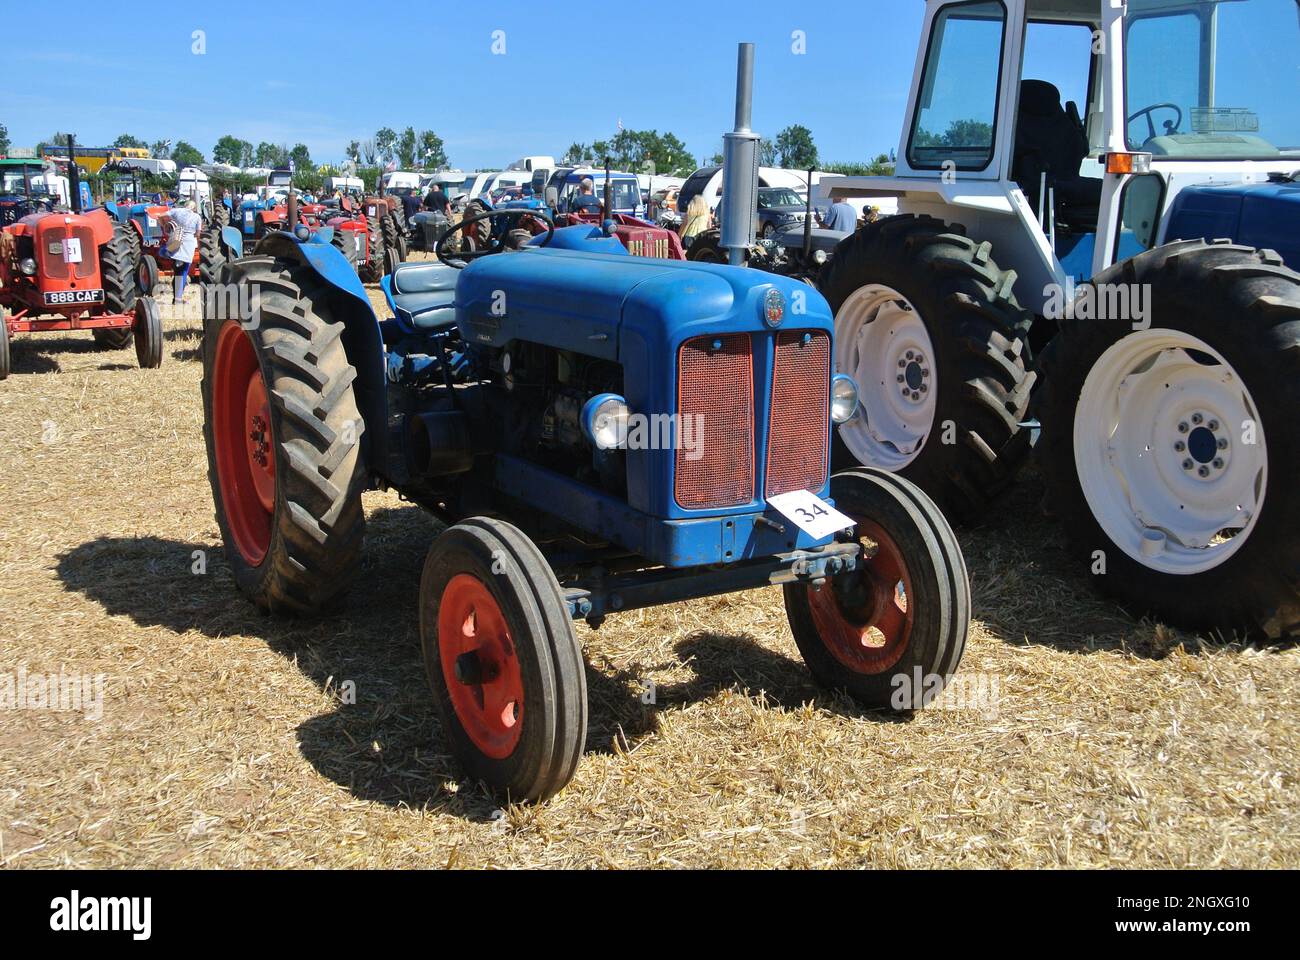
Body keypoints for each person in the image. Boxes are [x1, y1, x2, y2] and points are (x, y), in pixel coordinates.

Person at [159, 200, 202, 304]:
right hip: (188, 246)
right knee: (182, 273)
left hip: (176, 242)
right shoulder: (197, 217)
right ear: (194, 208)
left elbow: (160, 216)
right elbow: (198, 234)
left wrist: (165, 226)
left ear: (185, 206)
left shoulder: (176, 211)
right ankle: (177, 299)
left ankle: (177, 299)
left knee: (177, 270)